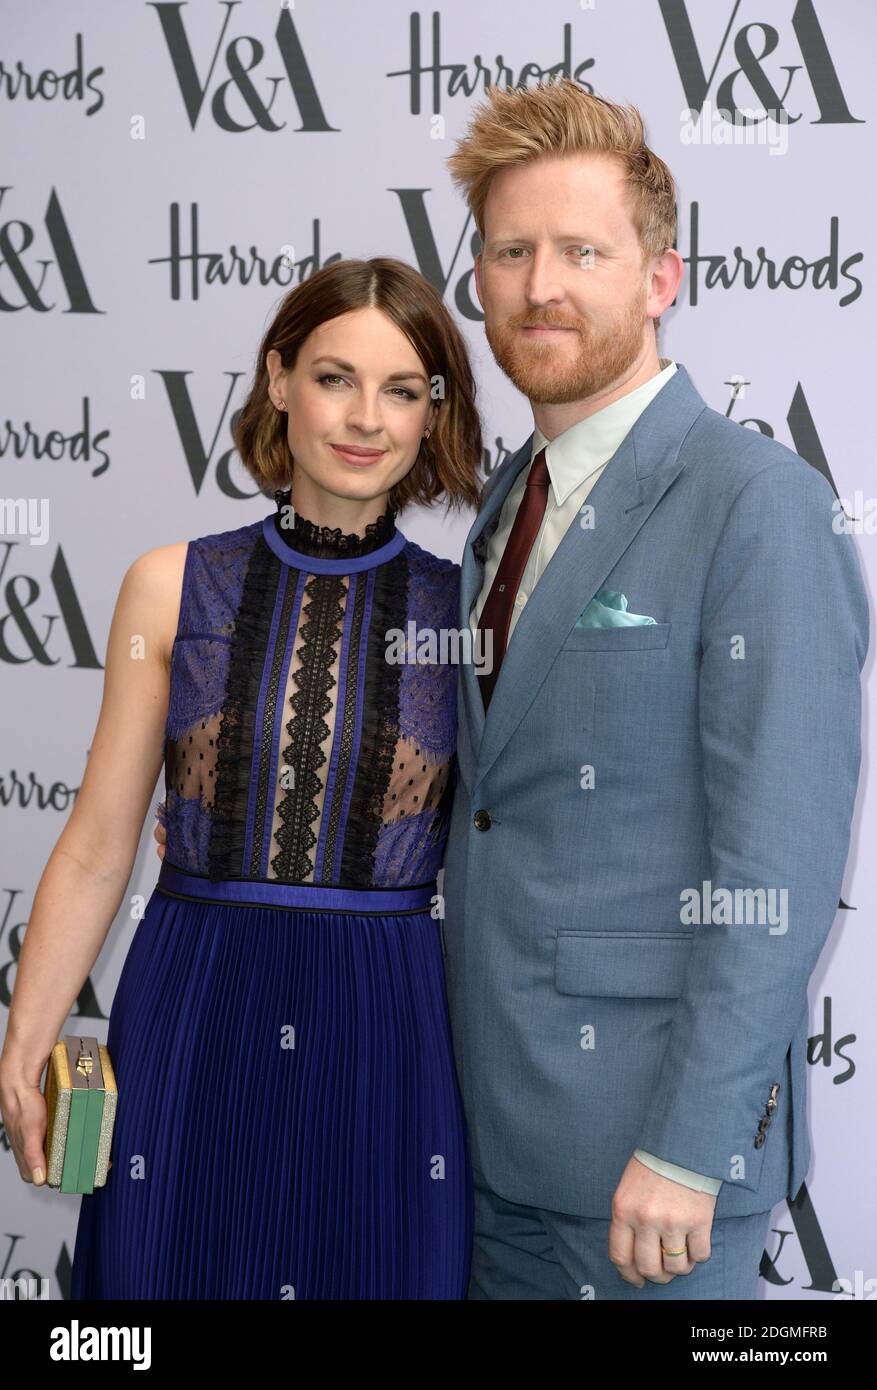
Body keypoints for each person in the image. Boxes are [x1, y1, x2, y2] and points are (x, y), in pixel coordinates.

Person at [438, 78, 868, 1299]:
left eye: (582, 250)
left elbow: (774, 870)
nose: (541, 286)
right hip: (484, 1144)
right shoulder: (502, 503)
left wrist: (689, 1143)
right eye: (511, 252)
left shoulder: (758, 505)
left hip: (650, 1177)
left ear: (660, 279)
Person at [0, 257, 482, 1299]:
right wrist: (26, 1036)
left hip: (388, 1022)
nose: (366, 418)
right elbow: (96, 843)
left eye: (403, 390)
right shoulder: (169, 584)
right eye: (334, 377)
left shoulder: (469, 614)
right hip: (196, 994)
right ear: (277, 380)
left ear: (433, 414)